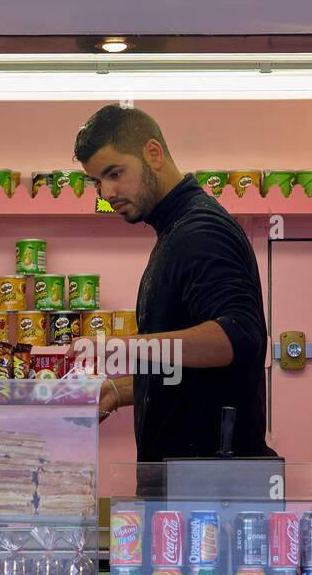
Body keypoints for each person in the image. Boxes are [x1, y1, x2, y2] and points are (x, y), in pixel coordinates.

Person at [74, 105, 276, 461]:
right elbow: (189, 369)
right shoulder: (176, 231)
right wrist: (119, 391)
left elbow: (238, 337)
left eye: (115, 172)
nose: (106, 192)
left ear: (153, 153)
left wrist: (121, 347)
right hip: (186, 484)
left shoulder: (200, 231)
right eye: (97, 181)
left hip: (209, 492)